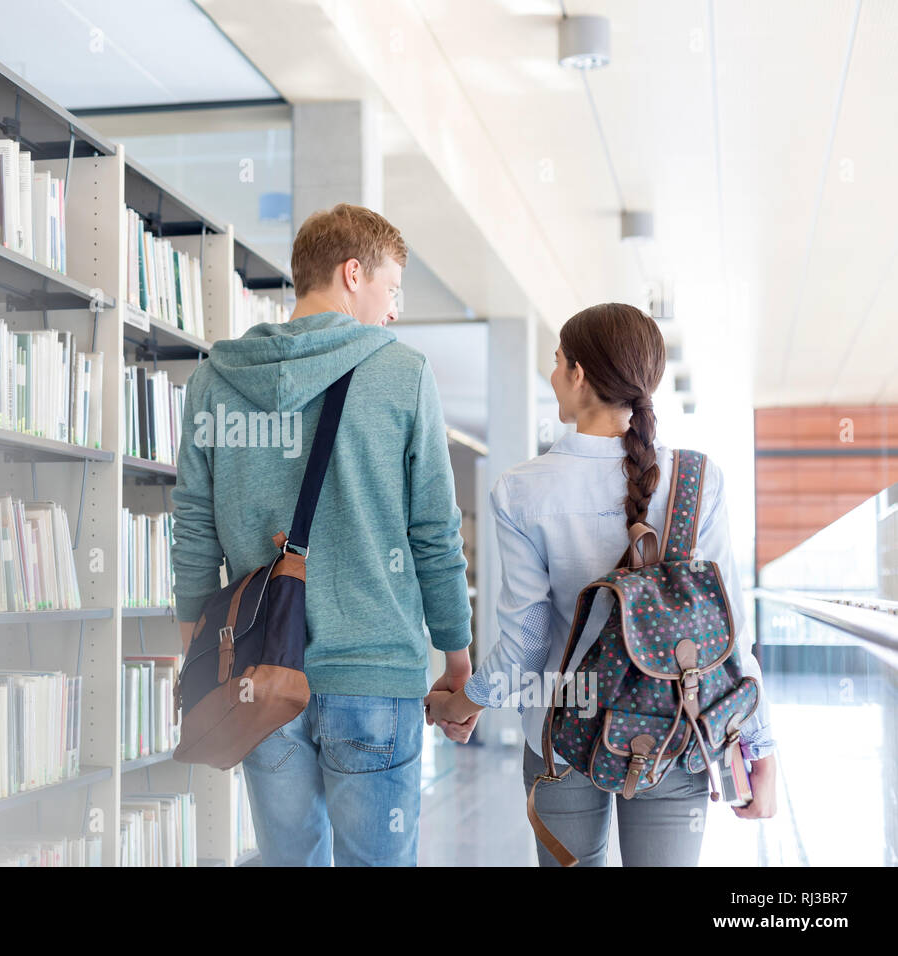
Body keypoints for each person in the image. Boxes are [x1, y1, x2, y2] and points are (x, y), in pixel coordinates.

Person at [171, 203, 474, 867]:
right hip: (375, 675)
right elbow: (433, 533)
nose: (393, 312)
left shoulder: (214, 382)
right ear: (353, 272)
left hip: (260, 672)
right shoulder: (403, 375)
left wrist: (196, 629)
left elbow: (192, 519)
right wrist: (456, 654)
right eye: (391, 290)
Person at [426, 302, 777, 866]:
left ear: (579, 373)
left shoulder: (521, 490)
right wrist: (759, 745)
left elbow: (527, 646)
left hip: (560, 732)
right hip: (674, 724)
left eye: (557, 360)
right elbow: (729, 631)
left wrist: (460, 704)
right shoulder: (697, 480)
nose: (551, 374)